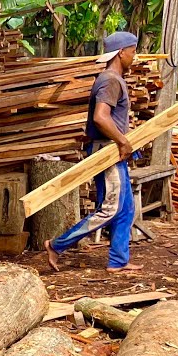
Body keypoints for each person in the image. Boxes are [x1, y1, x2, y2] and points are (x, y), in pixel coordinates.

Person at [44, 31, 142, 273]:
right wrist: (123, 141)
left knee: (126, 207)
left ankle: (118, 261)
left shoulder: (112, 78)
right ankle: (57, 245)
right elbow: (100, 118)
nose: (134, 57)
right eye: (132, 52)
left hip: (112, 150)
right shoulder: (110, 80)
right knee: (110, 208)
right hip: (107, 151)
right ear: (121, 52)